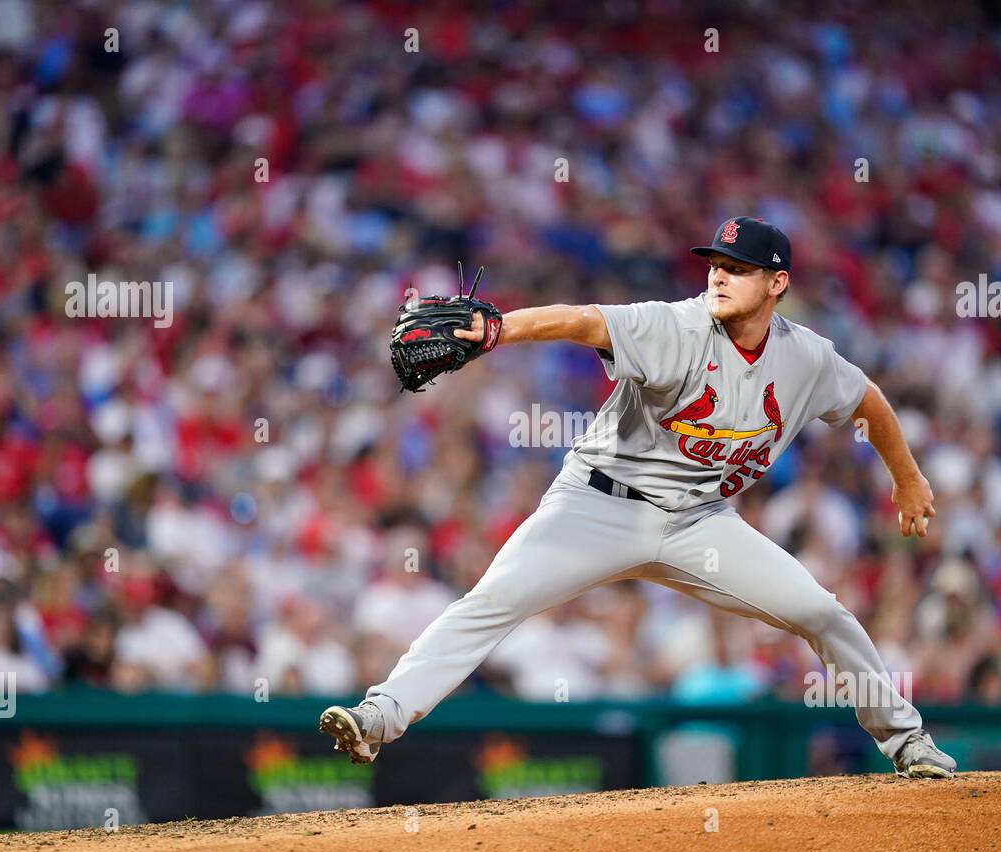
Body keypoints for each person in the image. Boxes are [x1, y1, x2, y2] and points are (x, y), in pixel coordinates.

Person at [321, 217, 957, 779]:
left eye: (738, 269)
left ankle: (907, 742)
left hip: (698, 525)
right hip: (598, 505)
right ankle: (381, 715)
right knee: (493, 599)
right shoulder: (675, 326)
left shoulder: (806, 358)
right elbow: (582, 320)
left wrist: (906, 478)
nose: (720, 278)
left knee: (822, 613)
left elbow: (865, 398)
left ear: (777, 283)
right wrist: (497, 330)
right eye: (715, 265)